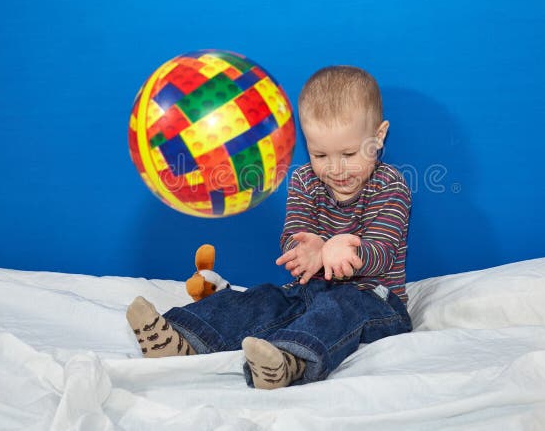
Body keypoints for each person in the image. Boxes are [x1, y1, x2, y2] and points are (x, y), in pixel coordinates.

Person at [126, 65, 413, 389]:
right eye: (320, 154)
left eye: (348, 153)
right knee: (262, 298)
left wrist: (343, 248)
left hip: (375, 302)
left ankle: (289, 361)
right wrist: (304, 251)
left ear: (378, 137)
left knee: (339, 307)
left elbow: (383, 252)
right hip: (311, 292)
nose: (335, 169)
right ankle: (182, 337)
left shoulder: (390, 185)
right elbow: (294, 236)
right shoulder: (305, 180)